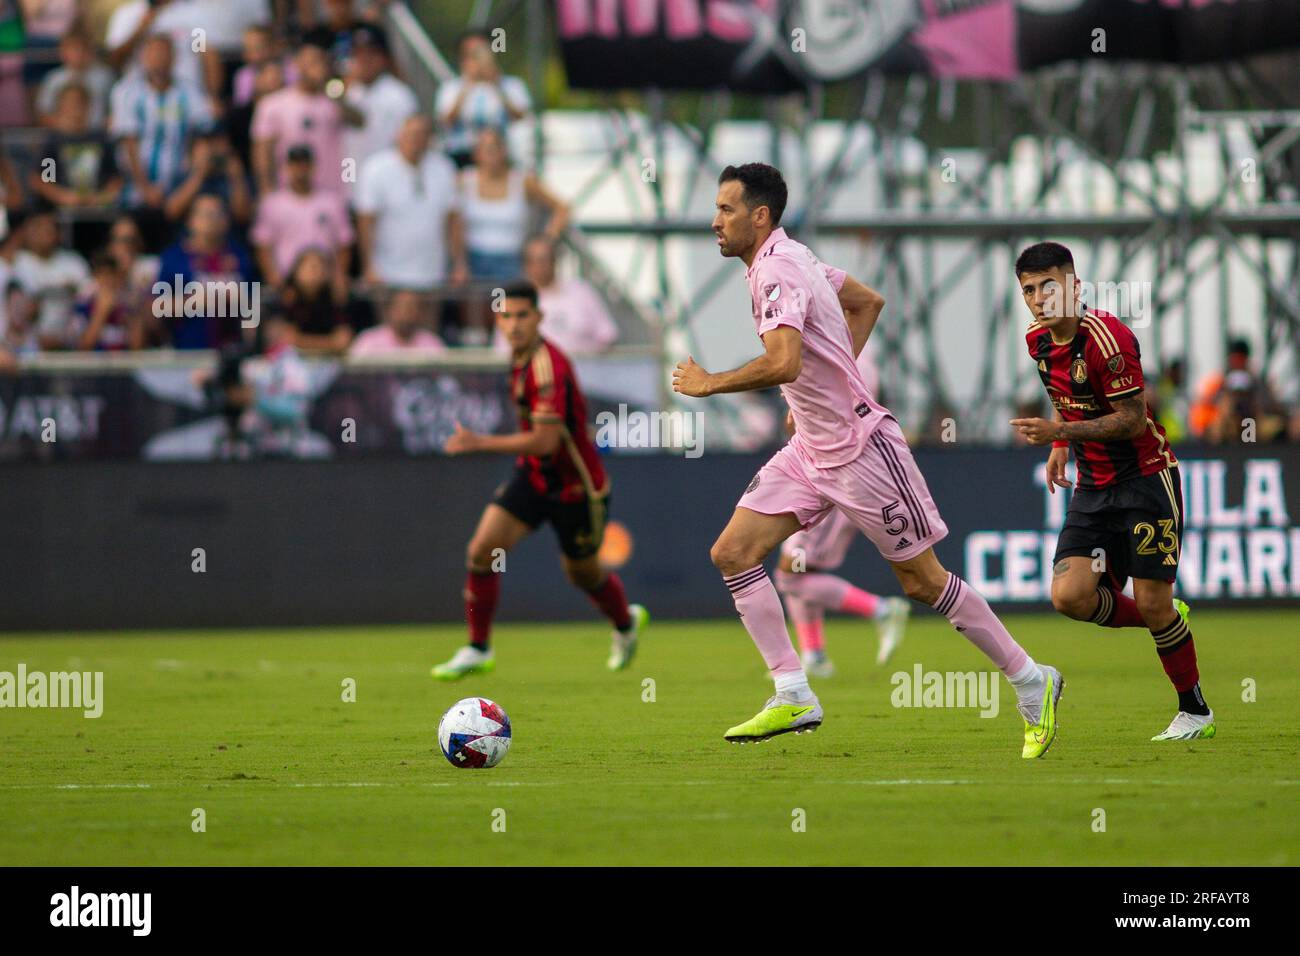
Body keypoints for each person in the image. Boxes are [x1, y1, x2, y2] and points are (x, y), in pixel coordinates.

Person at [672, 164, 1061, 756]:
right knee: (733, 551)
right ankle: (793, 690)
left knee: (922, 580)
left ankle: (1032, 680)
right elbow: (867, 302)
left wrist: (709, 383)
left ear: (760, 216)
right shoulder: (795, 259)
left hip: (861, 451)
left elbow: (783, 362)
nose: (714, 221)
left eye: (726, 209)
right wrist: (821, 391)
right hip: (811, 451)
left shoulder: (777, 269)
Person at [1010, 240, 1213, 742]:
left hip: (1146, 481)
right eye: (1029, 290)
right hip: (1093, 488)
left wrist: (1060, 435)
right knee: (1070, 596)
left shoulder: (1108, 340)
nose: (1039, 299)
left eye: (1048, 286)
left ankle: (1196, 712)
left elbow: (1131, 420)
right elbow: (1069, 397)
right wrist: (1061, 440)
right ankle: (1164, 620)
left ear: (1073, 285)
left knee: (1150, 600)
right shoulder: (1037, 340)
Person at [435, 280, 648, 680]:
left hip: (576, 488)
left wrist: (478, 442)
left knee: (581, 573)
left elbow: (546, 440)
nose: (514, 325)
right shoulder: (518, 356)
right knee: (482, 551)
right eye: (506, 317)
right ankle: (478, 647)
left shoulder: (547, 366)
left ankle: (624, 622)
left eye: (522, 316)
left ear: (539, 318)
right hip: (534, 477)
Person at [774, 341, 909, 677]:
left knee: (790, 575)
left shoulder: (849, 350)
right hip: (823, 468)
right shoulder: (849, 344)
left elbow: (843, 411)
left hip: (836, 472)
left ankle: (880, 610)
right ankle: (815, 655)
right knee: (799, 570)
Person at [355, 114, 466, 291]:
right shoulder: (375, 168)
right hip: (387, 272)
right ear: (399, 134)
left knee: (429, 318)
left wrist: (459, 264)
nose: (416, 139)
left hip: (433, 271)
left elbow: (452, 219)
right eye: (412, 133)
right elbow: (366, 222)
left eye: (422, 134)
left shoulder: (444, 167)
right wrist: (368, 266)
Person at [110, 34, 215, 212]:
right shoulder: (125, 91)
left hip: (181, 185)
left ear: (174, 58)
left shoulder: (190, 92)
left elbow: (204, 139)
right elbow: (129, 144)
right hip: (135, 187)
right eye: (153, 53)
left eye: (163, 53)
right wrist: (145, 189)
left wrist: (188, 189)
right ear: (143, 57)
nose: (158, 58)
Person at [251, 34, 360, 199]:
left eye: (322, 61)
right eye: (312, 61)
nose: (318, 66)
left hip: (331, 194)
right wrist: (267, 191)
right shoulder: (272, 104)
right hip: (289, 194)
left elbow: (360, 122)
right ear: (297, 64)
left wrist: (335, 96)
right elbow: (263, 151)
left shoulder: (333, 103)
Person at [459, 128, 568, 282]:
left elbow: (561, 208)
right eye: (485, 149)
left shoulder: (522, 181)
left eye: (495, 149)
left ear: (504, 151)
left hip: (512, 261)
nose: (491, 155)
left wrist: (547, 238)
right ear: (476, 154)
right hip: (473, 261)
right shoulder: (464, 181)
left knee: (505, 304)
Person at [155, 194, 255, 349]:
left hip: (232, 352)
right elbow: (158, 306)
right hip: (188, 353)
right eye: (206, 214)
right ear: (190, 221)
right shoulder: (175, 258)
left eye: (217, 214)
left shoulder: (239, 256)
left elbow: (253, 306)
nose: (211, 220)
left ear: (226, 221)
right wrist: (200, 300)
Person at [250, 143, 352, 295]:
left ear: (313, 167)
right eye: (295, 165)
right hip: (286, 282)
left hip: (325, 282)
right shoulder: (272, 204)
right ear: (287, 168)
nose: (300, 170)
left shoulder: (332, 202)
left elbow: (345, 242)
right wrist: (273, 277)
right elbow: (262, 244)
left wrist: (339, 275)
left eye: (305, 164)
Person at [495, 236, 618, 356]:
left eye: (544, 259)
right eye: (533, 260)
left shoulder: (582, 291)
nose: (539, 266)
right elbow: (503, 351)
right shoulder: (513, 301)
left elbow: (607, 335)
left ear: (554, 260)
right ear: (525, 265)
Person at [339, 23, 416, 198]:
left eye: (370, 54)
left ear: (383, 58)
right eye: (357, 54)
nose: (363, 61)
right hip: (350, 179)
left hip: (389, 186)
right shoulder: (348, 91)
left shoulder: (400, 95)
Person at [435, 29, 531, 168]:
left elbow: (520, 117)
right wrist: (467, 86)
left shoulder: (511, 85)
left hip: (500, 155)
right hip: (461, 155)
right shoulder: (451, 88)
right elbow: (446, 121)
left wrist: (496, 85)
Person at [31, 83, 124, 210]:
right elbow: (45, 180)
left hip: (97, 211)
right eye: (70, 104)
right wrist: (64, 197)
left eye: (80, 104)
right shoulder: (54, 142)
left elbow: (114, 178)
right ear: (60, 107)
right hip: (60, 213)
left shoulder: (101, 140)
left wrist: (102, 197)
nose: (75, 109)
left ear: (88, 106)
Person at [11, 208, 90, 350]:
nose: (44, 233)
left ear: (59, 233)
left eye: (50, 228)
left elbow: (87, 304)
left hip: (70, 344)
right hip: (25, 347)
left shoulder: (74, 263)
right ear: (27, 231)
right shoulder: (15, 264)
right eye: (39, 228)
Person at [275, 247, 354, 353]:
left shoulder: (335, 300)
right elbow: (288, 340)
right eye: (310, 267)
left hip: (329, 361)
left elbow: (343, 340)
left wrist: (302, 341)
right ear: (296, 272)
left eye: (320, 266)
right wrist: (330, 342)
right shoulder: (287, 299)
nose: (315, 272)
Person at [35, 31, 114, 129]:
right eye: (74, 49)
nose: (79, 54)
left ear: (92, 51)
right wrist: (65, 125)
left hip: (98, 134)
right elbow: (43, 114)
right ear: (63, 52)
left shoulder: (105, 76)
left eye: (84, 49)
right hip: (63, 135)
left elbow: (113, 111)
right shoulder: (54, 79)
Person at [348, 287, 446, 357]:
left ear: (421, 313)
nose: (406, 313)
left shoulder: (432, 343)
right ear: (390, 310)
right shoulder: (368, 340)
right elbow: (352, 377)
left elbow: (446, 381)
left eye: (412, 308)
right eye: (401, 307)